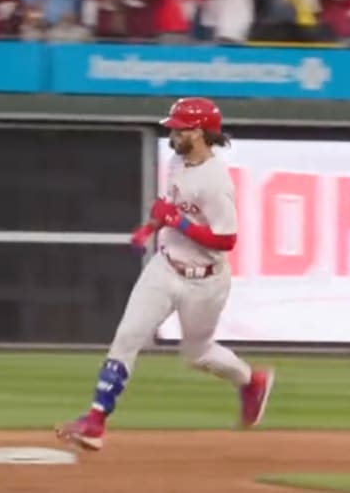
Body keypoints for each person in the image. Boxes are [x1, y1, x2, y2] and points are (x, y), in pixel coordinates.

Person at [55, 97, 274, 451]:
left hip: (206, 279)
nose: (172, 133)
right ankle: (96, 421)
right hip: (165, 265)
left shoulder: (216, 181)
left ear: (200, 133)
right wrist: (149, 228)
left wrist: (178, 222)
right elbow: (169, 207)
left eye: (179, 128)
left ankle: (251, 381)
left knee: (197, 354)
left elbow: (227, 239)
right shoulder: (178, 160)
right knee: (127, 337)